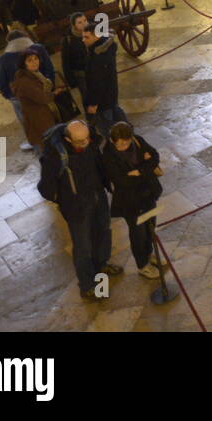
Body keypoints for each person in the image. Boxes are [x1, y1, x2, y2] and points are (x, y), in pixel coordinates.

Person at [38, 119, 121, 300]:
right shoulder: (55, 156)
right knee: (83, 246)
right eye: (80, 141)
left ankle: (101, 264)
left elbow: (100, 163)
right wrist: (67, 200)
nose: (86, 143)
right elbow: (45, 189)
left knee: (103, 231)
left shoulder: (90, 140)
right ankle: (87, 285)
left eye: (87, 139)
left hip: (98, 196)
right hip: (77, 207)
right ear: (68, 140)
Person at [101, 122, 163, 280]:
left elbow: (155, 156)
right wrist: (146, 168)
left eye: (126, 142)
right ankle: (142, 265)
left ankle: (149, 255)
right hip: (130, 202)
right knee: (138, 233)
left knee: (150, 227)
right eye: (119, 143)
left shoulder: (138, 141)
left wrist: (139, 171)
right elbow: (122, 181)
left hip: (148, 194)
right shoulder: (108, 155)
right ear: (112, 140)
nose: (123, 146)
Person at [0, 29, 55, 152]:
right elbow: (50, 69)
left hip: (19, 96)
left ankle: (37, 144)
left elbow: (1, 80)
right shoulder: (38, 48)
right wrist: (51, 88)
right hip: (42, 91)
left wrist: (10, 96)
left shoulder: (4, 58)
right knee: (47, 117)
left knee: (28, 122)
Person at [12, 52, 59, 155]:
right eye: (29, 60)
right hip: (38, 118)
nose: (34, 62)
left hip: (42, 114)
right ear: (24, 64)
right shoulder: (25, 82)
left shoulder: (34, 74)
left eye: (35, 58)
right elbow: (43, 98)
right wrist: (54, 94)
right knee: (47, 148)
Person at [82, 26, 125, 135]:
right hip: (111, 95)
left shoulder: (98, 55)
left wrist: (93, 104)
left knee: (108, 131)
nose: (83, 40)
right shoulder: (107, 47)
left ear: (96, 36)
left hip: (103, 102)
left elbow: (97, 83)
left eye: (86, 37)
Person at [61, 12, 90, 115]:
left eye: (85, 20)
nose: (84, 24)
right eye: (80, 22)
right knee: (87, 98)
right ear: (74, 25)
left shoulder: (92, 33)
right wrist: (70, 81)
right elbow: (65, 62)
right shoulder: (68, 40)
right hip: (81, 74)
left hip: (95, 70)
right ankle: (91, 120)